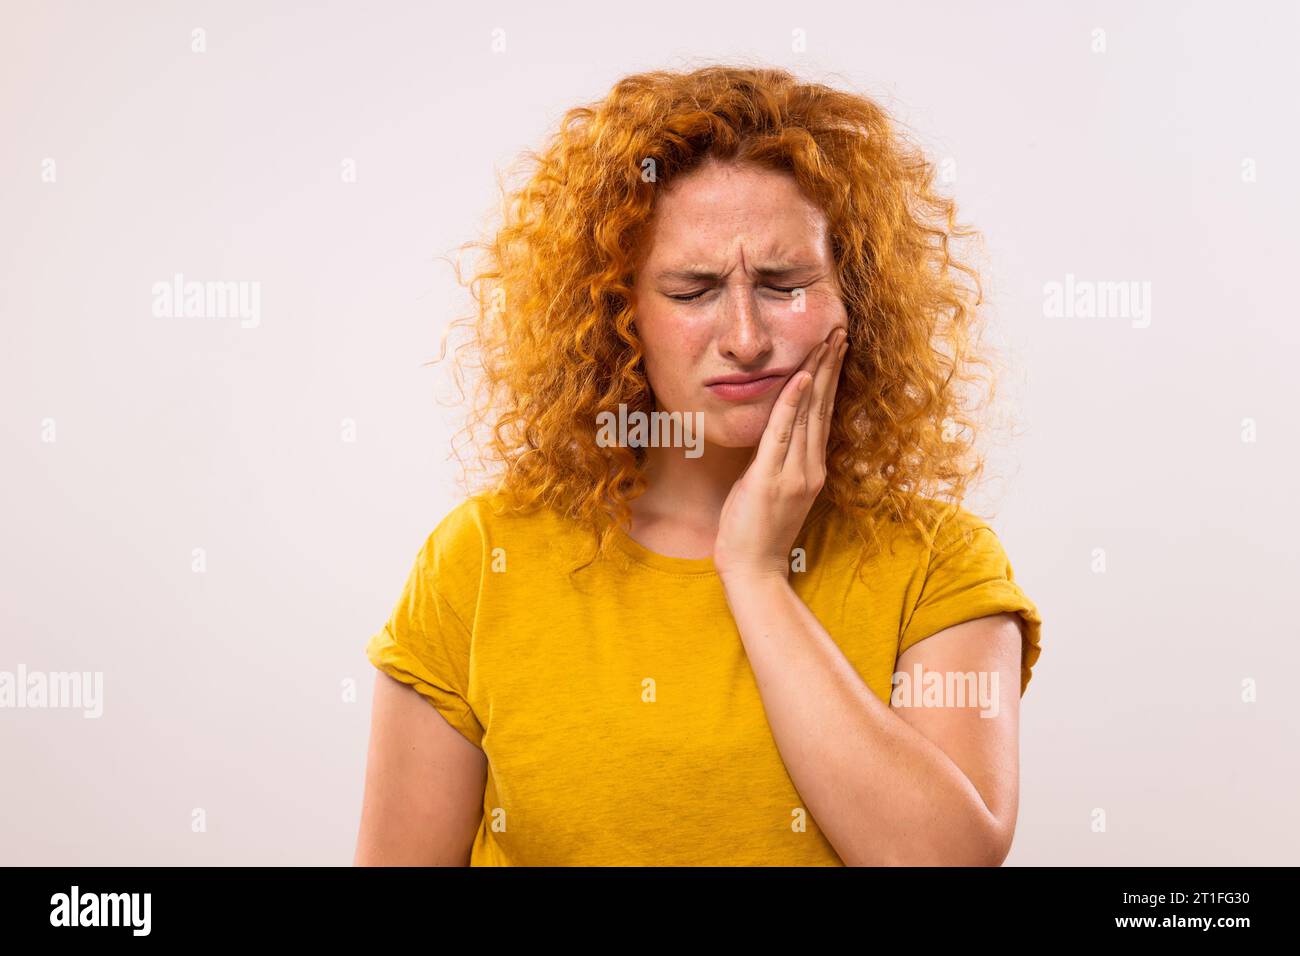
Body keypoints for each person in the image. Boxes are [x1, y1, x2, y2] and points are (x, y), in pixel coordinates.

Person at [354, 64, 1043, 866]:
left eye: (785, 283)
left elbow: (944, 861)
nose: (746, 336)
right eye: (693, 290)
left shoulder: (940, 565)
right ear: (620, 313)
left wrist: (753, 571)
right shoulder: (477, 561)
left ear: (855, 296)